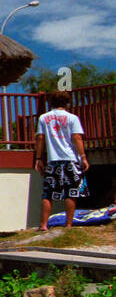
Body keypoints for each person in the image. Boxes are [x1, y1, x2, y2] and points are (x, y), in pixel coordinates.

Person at [36, 90, 88, 230]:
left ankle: (43, 224)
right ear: (66, 102)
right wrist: (83, 157)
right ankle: (69, 224)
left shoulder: (43, 118)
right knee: (71, 192)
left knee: (48, 193)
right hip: (70, 159)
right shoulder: (72, 118)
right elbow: (76, 138)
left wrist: (39, 158)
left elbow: (40, 138)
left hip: (53, 160)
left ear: (51, 102)